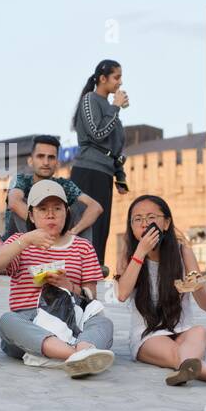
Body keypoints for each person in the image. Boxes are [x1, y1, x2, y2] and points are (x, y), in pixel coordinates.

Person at [0, 180, 115, 378]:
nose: (50, 214)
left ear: (66, 212)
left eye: (57, 208)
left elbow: (92, 298)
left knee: (103, 323)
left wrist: (69, 286)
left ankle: (67, 353)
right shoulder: (19, 242)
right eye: (42, 209)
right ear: (31, 215)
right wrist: (26, 240)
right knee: (7, 321)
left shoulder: (83, 247)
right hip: (30, 324)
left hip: (72, 322)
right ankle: (78, 355)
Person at [115, 195, 206, 388]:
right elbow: (122, 294)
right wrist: (140, 252)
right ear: (131, 226)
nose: (144, 224)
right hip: (147, 336)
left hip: (183, 330)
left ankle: (191, 371)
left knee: (200, 332)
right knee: (177, 354)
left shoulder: (183, 253)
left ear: (166, 223)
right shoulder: (128, 256)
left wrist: (195, 285)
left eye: (151, 218)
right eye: (138, 219)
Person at [69, 59, 129, 265]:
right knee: (84, 221)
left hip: (104, 174)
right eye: (116, 77)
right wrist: (115, 108)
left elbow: (115, 146)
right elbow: (97, 132)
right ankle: (76, 267)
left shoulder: (110, 108)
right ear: (102, 79)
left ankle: (94, 268)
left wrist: (120, 176)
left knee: (102, 224)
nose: (120, 83)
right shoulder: (90, 99)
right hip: (87, 170)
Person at [3, 134, 103, 240]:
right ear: (30, 161)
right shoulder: (20, 179)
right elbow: (13, 202)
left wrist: (73, 231)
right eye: (40, 156)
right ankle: (39, 249)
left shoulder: (64, 184)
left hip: (56, 237)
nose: (46, 162)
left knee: (82, 207)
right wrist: (45, 226)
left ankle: (80, 251)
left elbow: (96, 207)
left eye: (51, 157)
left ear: (57, 163)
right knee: (24, 202)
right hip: (20, 242)